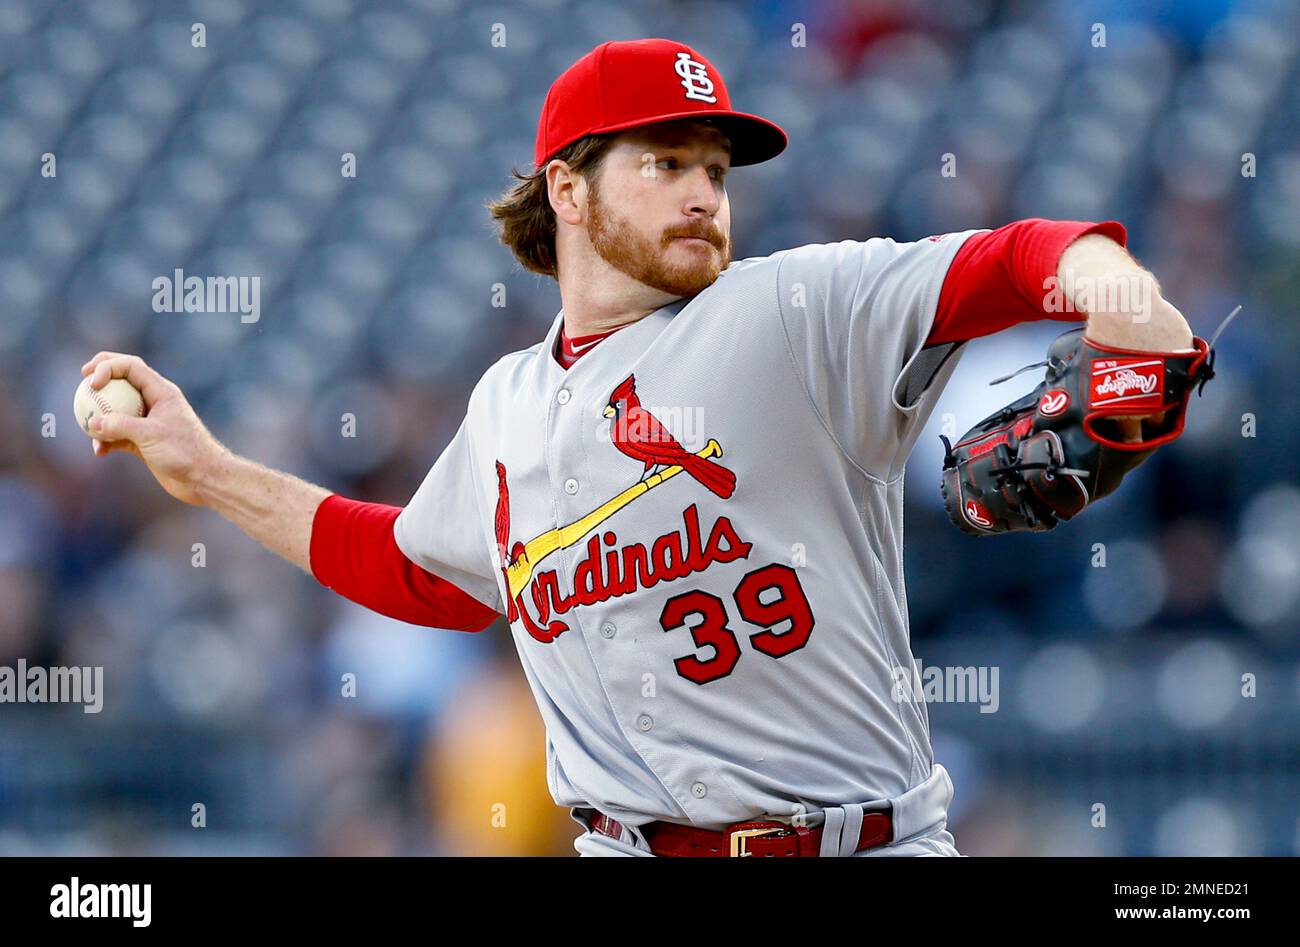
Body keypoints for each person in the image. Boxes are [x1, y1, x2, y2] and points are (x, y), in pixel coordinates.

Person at [82, 39, 1194, 857]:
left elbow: (1024, 256)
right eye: (664, 161)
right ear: (565, 187)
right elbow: (424, 571)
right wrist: (206, 472)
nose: (705, 193)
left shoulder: (789, 309)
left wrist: (1134, 313)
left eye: (715, 168)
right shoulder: (508, 400)